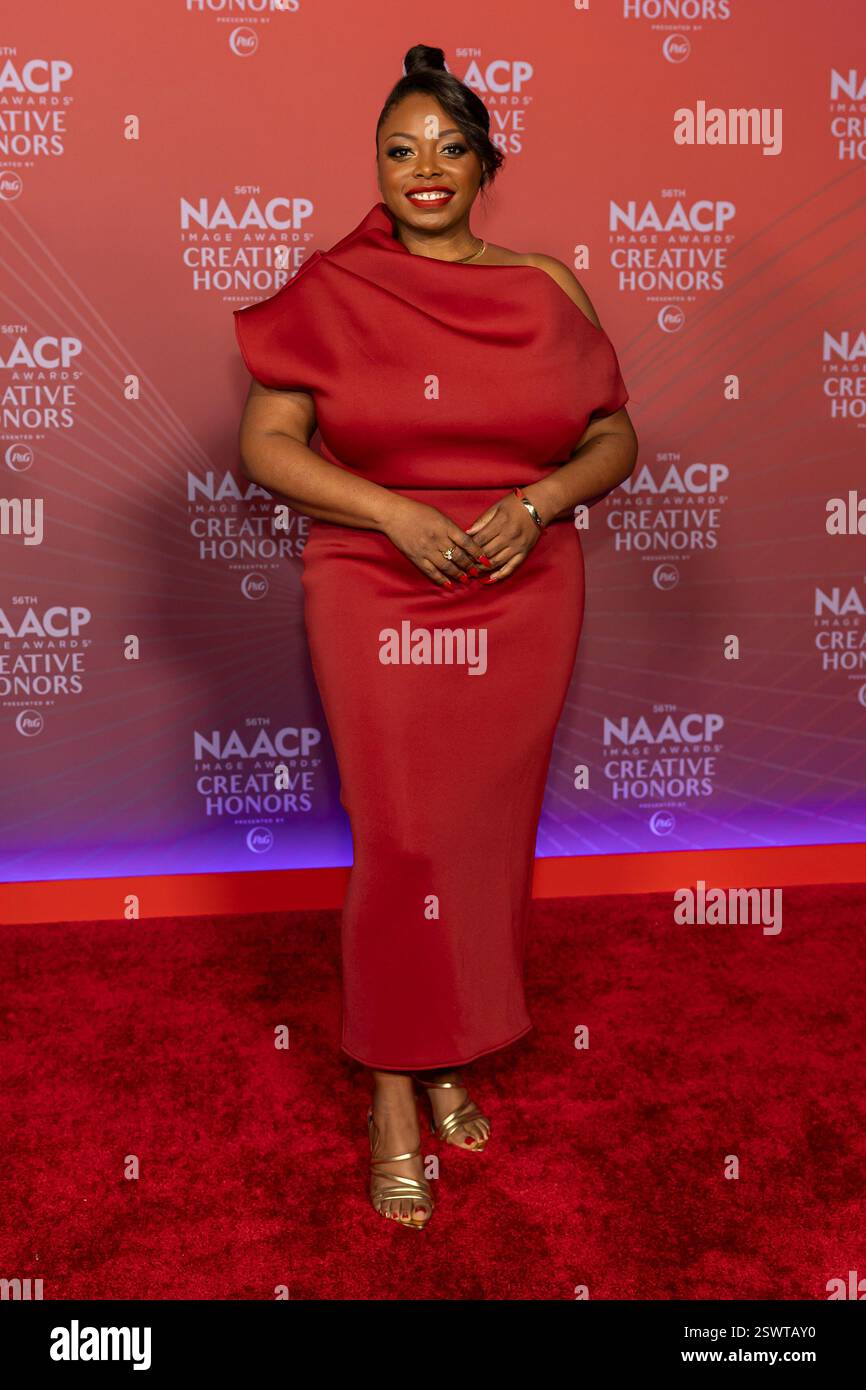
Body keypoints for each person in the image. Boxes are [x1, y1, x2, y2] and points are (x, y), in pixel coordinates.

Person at [234, 43, 638, 1231]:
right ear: (375, 164)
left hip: (522, 589)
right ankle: (395, 1099)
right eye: (399, 150)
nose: (423, 170)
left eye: (448, 148)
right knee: (403, 842)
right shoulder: (332, 285)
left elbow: (612, 439)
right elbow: (267, 445)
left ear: (482, 165)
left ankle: (452, 1039)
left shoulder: (546, 284)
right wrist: (394, 511)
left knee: (477, 839)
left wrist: (532, 505)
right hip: (373, 582)